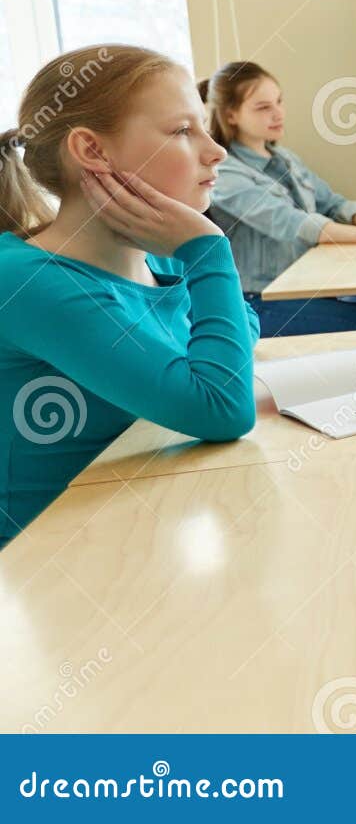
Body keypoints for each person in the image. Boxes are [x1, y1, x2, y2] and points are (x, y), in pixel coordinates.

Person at [0, 45, 259, 547]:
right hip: (38, 566)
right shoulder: (28, 282)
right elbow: (222, 408)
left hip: (131, 527)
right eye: (184, 131)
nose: (216, 150)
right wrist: (209, 255)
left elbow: (243, 323)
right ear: (92, 151)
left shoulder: (154, 258)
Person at [203, 61, 356, 335]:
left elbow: (331, 202)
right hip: (260, 302)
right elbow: (290, 221)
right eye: (264, 107)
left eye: (279, 102)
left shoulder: (286, 159)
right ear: (230, 116)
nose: (278, 113)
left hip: (307, 285)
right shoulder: (224, 173)